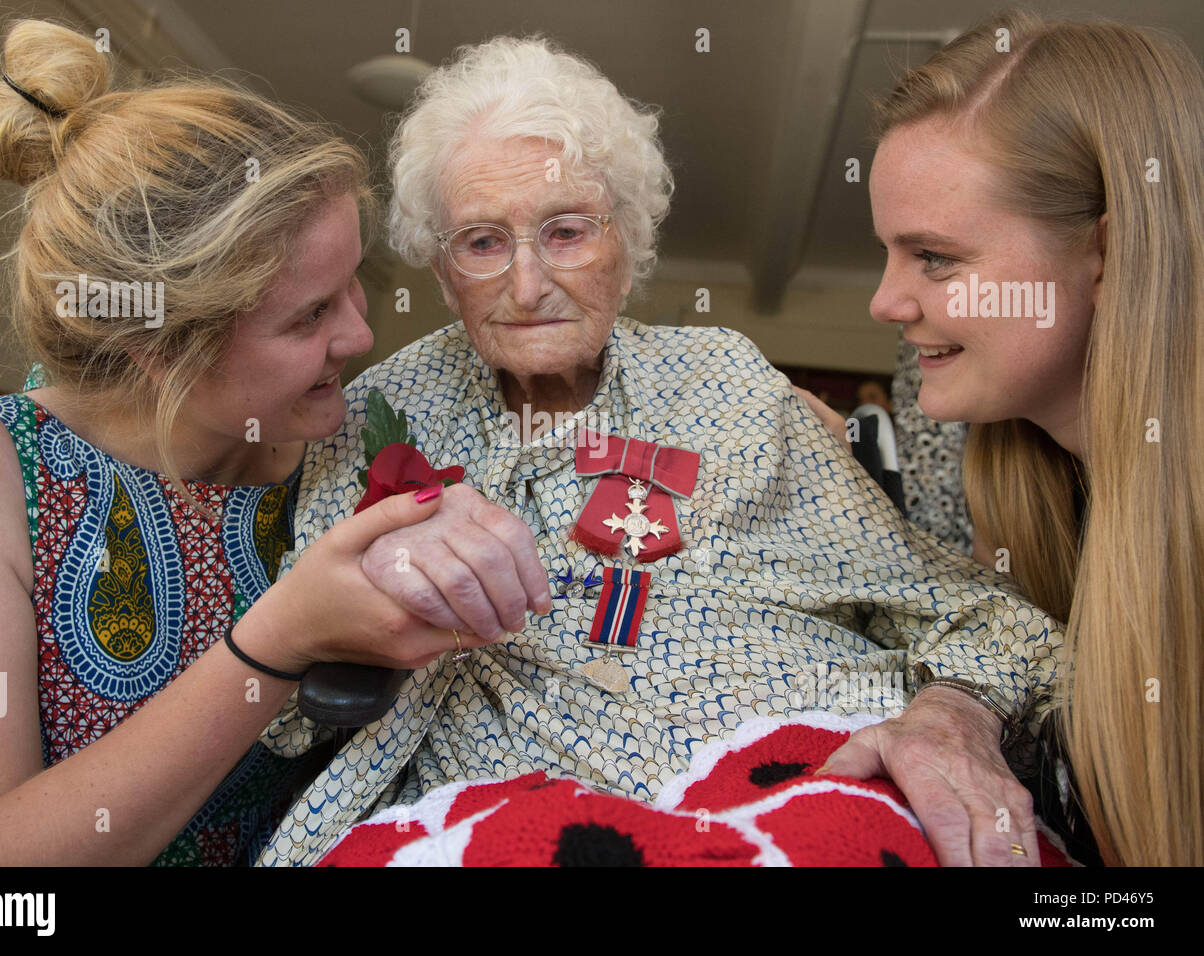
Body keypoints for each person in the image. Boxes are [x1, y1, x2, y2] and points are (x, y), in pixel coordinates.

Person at [258, 35, 1067, 867]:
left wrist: (950, 719)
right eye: (483, 243)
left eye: (567, 232)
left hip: (779, 786)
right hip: (499, 814)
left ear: (628, 239)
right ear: (441, 265)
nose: (527, 285)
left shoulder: (724, 384)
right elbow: (293, 708)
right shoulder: (376, 415)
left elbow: (981, 617)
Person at [0, 19, 547, 866]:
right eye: (309, 314)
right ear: (158, 347)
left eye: (352, 282)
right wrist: (275, 644)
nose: (359, 336)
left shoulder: (349, 449)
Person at [814, 11, 1202, 866]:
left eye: (936, 258)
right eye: (888, 253)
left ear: (1107, 252)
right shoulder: (1032, 495)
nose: (886, 302)